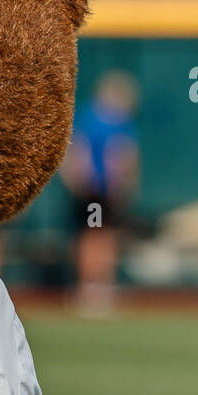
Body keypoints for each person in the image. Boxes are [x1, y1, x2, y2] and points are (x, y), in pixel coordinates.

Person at [61, 69, 140, 311]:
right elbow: (122, 157)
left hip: (89, 191)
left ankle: (92, 287)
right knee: (99, 237)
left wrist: (75, 181)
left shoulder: (85, 116)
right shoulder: (114, 122)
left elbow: (71, 154)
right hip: (100, 191)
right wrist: (124, 185)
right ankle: (95, 287)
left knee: (92, 236)